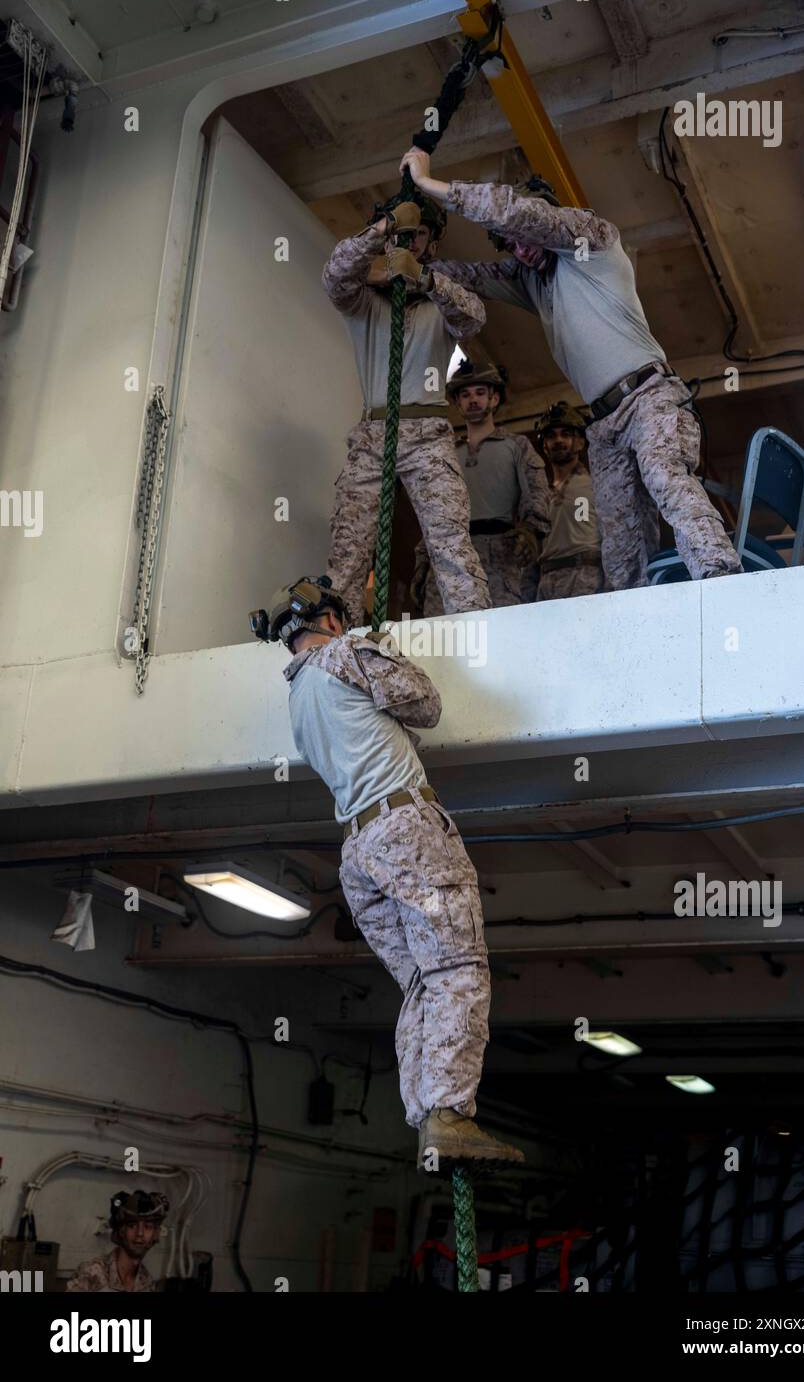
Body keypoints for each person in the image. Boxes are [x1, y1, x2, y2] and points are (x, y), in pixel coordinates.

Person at [256, 576, 523, 1169]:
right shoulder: (350, 652)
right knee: (456, 968)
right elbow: (425, 706)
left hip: (359, 852)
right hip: (405, 832)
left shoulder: (298, 695)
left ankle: (429, 1118)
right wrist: (381, 645)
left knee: (422, 983)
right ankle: (451, 1113)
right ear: (329, 622)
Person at [399, 148, 743, 591]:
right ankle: (635, 617)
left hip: (648, 396)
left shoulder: (591, 241)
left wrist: (432, 185)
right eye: (512, 246)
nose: (522, 251)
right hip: (604, 423)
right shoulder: (533, 279)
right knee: (620, 543)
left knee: (666, 477)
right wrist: (411, 266)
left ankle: (721, 580)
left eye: (526, 237)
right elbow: (471, 274)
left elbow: (520, 215)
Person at [322, 193, 492, 625]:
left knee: (450, 542)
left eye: (418, 234)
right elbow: (335, 275)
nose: (409, 241)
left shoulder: (440, 303)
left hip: (428, 434)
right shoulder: (363, 301)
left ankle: (478, 633)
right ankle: (343, 649)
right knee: (348, 551)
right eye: (403, 234)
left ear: (432, 244)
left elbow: (473, 317)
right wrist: (382, 228)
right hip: (374, 434)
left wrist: (427, 279)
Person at [413, 359, 550, 613]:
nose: (472, 400)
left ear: (494, 399)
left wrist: (532, 531)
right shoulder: (445, 453)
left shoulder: (516, 446)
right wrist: (423, 559)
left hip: (500, 553)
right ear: (457, 404)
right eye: (464, 395)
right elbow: (431, 511)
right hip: (447, 552)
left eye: (479, 393)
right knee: (441, 636)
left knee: (498, 632)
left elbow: (537, 492)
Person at [534, 401, 604, 601]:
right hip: (547, 582)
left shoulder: (596, 485)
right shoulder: (538, 495)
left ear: (581, 442)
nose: (558, 440)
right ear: (544, 446)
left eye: (566, 434)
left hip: (586, 576)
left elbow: (613, 537)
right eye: (551, 435)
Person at [66, 1190, 167, 1292]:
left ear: (155, 1234)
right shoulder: (92, 1273)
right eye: (132, 1225)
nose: (140, 1233)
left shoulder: (147, 1284)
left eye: (147, 1227)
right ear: (121, 1230)